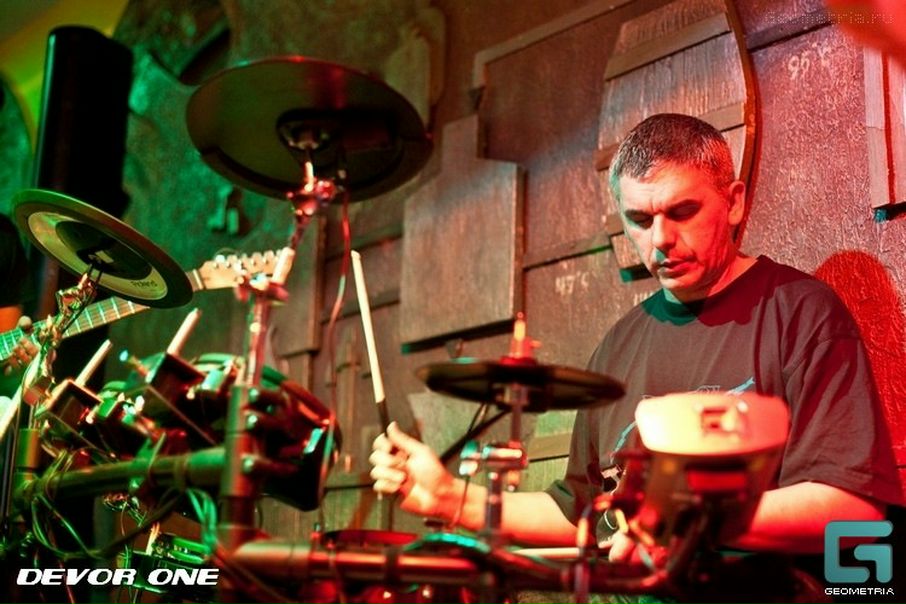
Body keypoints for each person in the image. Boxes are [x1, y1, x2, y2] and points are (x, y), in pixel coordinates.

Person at [370, 114, 902, 590]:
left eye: (682, 211)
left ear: (734, 202)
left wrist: (685, 523)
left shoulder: (801, 312)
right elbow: (582, 513)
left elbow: (851, 507)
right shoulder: (618, 345)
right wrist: (450, 498)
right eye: (640, 220)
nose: (661, 239)